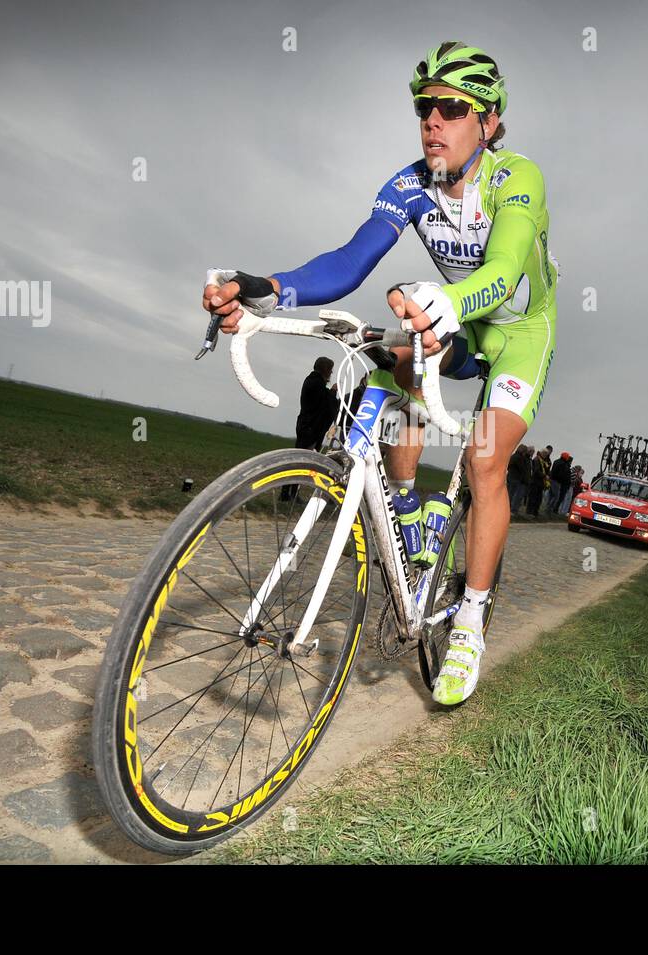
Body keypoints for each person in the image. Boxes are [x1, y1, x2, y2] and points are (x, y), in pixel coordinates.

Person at [200, 42, 558, 706]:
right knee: (389, 362)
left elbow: (504, 270)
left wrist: (443, 301)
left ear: (490, 123)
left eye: (454, 108)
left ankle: (472, 620)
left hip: (518, 333)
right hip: (455, 321)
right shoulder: (409, 184)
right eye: (426, 106)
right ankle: (401, 508)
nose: (434, 120)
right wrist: (268, 288)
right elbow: (347, 261)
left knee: (485, 461)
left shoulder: (518, 178)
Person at [282, 357, 339, 501]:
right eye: (330, 369)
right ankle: (290, 494)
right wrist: (332, 392)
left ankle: (289, 493)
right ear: (325, 369)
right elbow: (324, 404)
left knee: (299, 461)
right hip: (310, 429)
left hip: (306, 426)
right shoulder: (316, 383)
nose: (331, 372)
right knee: (300, 462)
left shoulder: (313, 381)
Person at [507, 444, 532, 515]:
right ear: (523, 451)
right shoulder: (519, 458)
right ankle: (511, 510)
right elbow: (522, 469)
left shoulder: (513, 456)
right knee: (514, 495)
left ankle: (508, 509)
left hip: (511, 477)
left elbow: (509, 466)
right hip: (516, 479)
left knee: (510, 494)